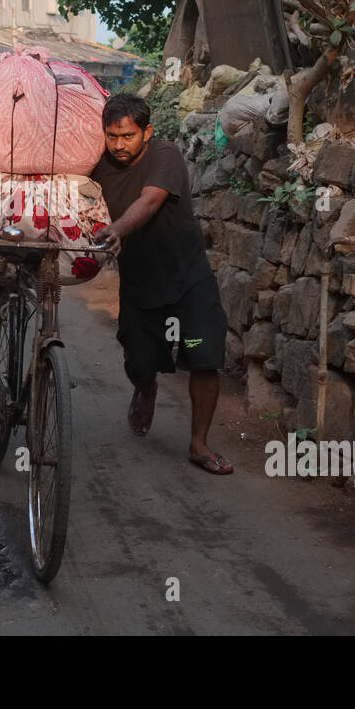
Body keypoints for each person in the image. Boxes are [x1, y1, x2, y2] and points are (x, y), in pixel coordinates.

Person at [91, 94, 233, 474]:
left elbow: (151, 201)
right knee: (138, 363)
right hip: (139, 281)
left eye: (128, 136)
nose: (119, 145)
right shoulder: (96, 164)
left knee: (204, 357)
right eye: (111, 136)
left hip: (188, 277)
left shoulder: (164, 154)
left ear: (147, 132)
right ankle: (147, 386)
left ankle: (199, 445)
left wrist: (117, 229)